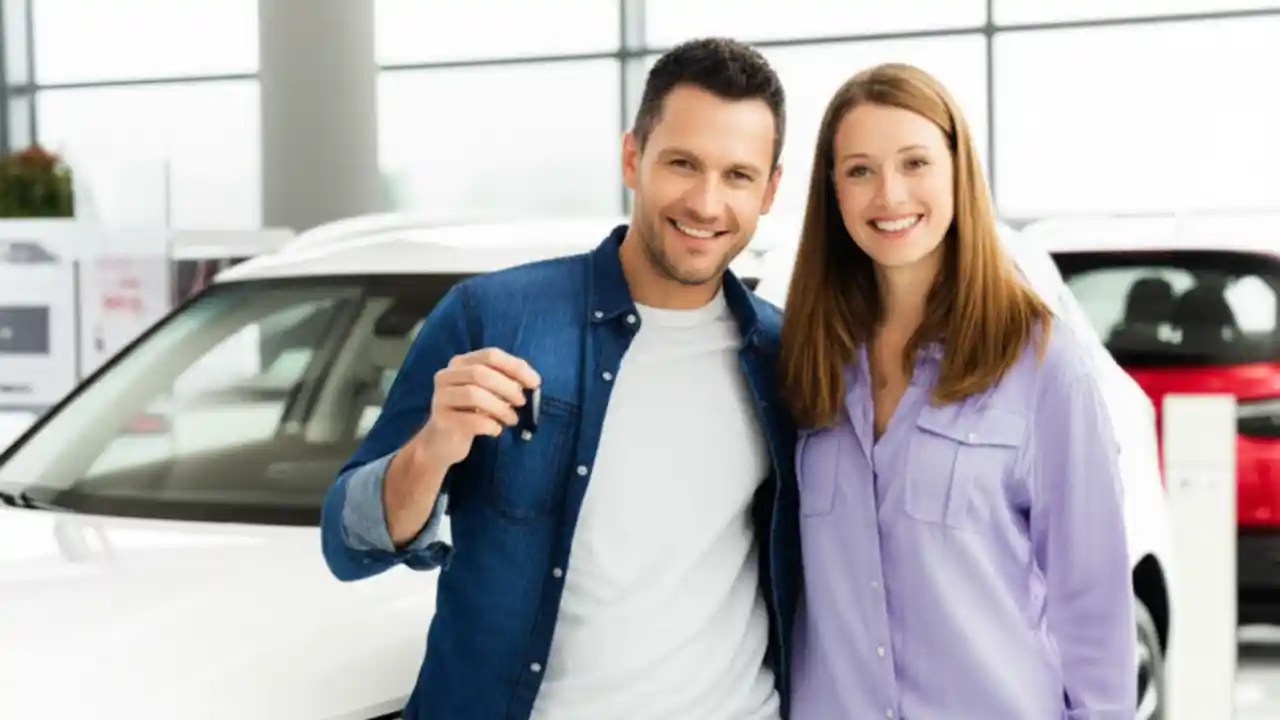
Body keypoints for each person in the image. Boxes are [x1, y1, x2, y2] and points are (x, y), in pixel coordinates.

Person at [320, 37, 801, 720]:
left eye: (738, 176)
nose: (705, 201)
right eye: (683, 163)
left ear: (771, 189)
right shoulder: (493, 316)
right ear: (633, 157)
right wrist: (431, 451)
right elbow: (347, 543)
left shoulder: (786, 356)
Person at [778, 63, 1135, 719]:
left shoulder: (1040, 361)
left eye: (914, 162)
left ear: (956, 170)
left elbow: (1093, 601)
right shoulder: (807, 356)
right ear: (832, 190)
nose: (889, 193)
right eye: (859, 170)